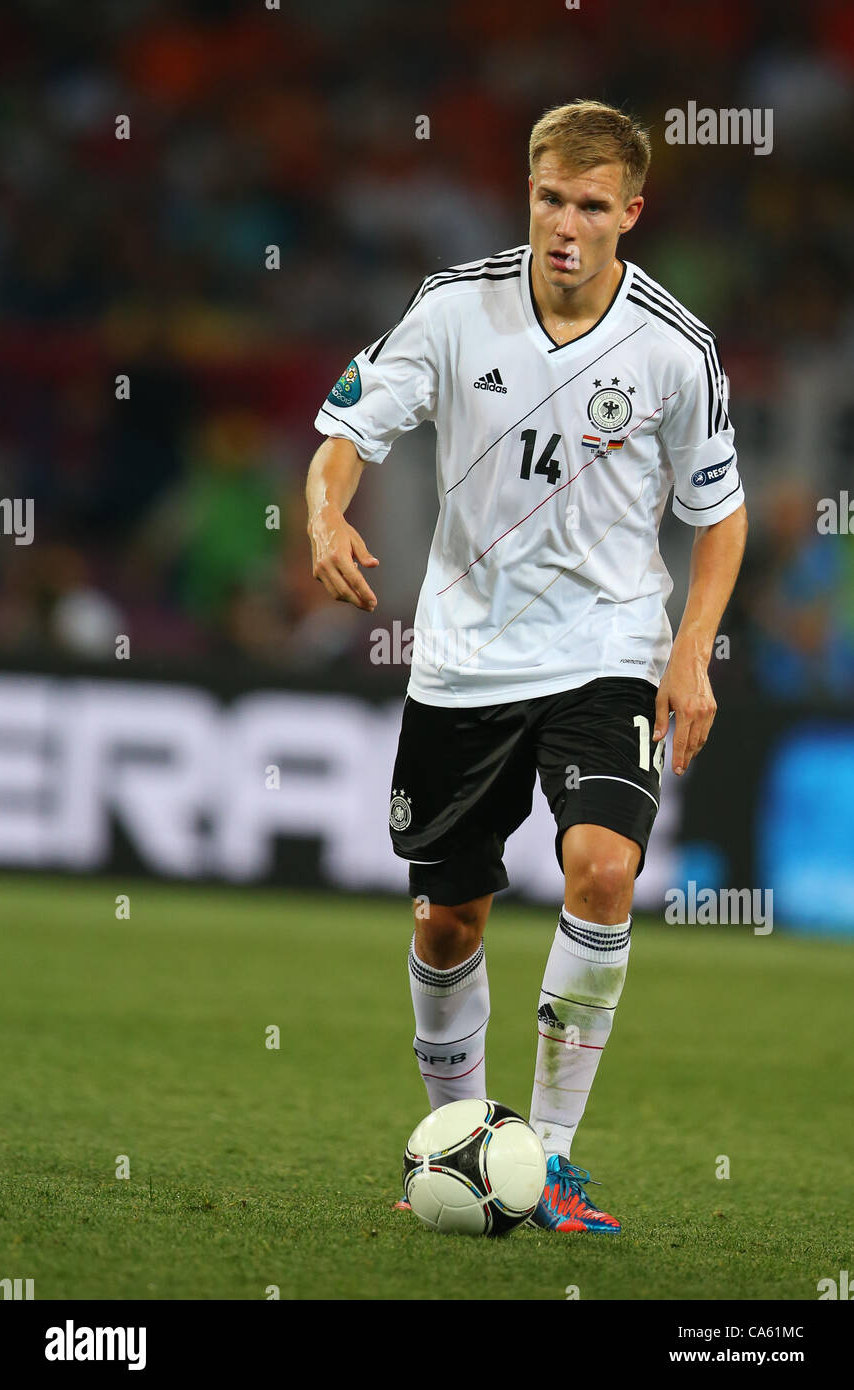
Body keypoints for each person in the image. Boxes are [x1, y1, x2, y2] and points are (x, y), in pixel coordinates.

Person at [306, 100, 747, 1233]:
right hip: (464, 659)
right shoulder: (455, 308)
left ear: (630, 213)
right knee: (447, 922)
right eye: (550, 197)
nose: (564, 224)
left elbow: (719, 514)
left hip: (606, 650)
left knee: (601, 870)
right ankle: (457, 1144)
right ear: (530, 192)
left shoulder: (674, 348)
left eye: (591, 206)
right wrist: (323, 514)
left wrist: (690, 651)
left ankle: (548, 1161)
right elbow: (348, 431)